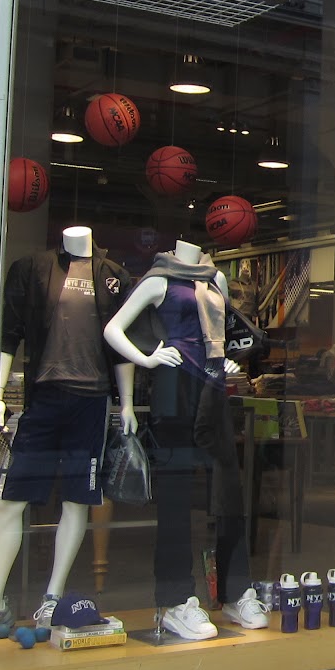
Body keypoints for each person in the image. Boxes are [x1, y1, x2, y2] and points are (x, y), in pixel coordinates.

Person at [103, 239, 266, 639]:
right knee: (175, 494)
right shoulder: (158, 280)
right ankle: (175, 599)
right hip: (174, 387)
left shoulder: (216, 279)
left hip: (212, 388)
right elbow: (112, 329)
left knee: (227, 487)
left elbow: (223, 330)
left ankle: (235, 591)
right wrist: (147, 359)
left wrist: (226, 357)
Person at [0, 227, 134, 635]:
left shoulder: (114, 277)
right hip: (43, 398)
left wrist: (125, 402)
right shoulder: (32, 269)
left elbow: (119, 346)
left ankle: (51, 598)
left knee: (76, 501)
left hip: (90, 402)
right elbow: (8, 334)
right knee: (11, 499)